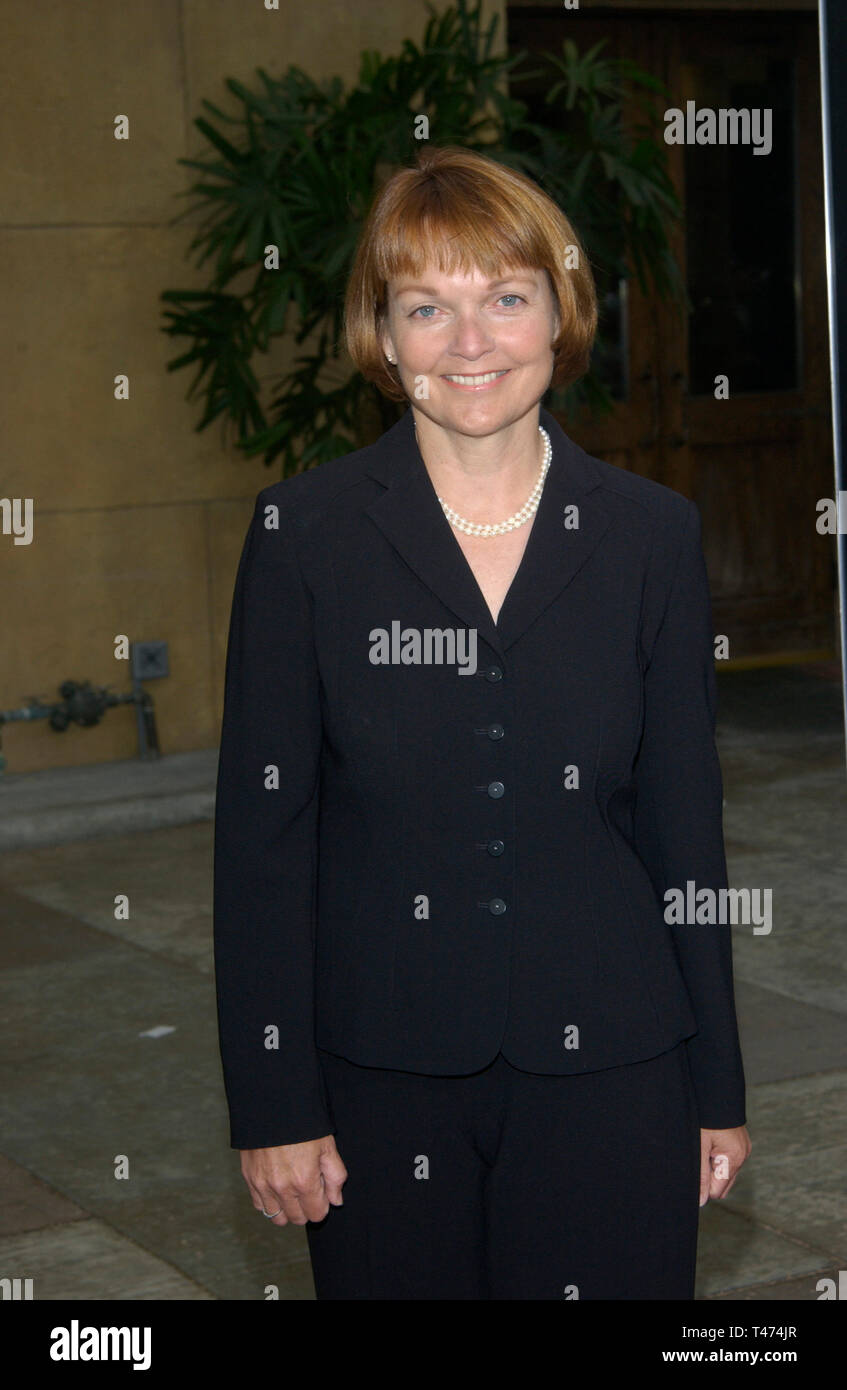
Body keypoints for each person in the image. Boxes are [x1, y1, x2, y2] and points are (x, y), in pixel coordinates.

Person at [213, 144, 751, 1300]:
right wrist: (274, 1103)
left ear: (560, 315)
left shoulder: (649, 533)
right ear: (383, 334)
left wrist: (716, 1086)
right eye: (428, 308)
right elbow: (262, 845)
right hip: (377, 1073)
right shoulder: (301, 537)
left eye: (506, 299)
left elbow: (684, 829)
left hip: (616, 1062)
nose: (470, 344)